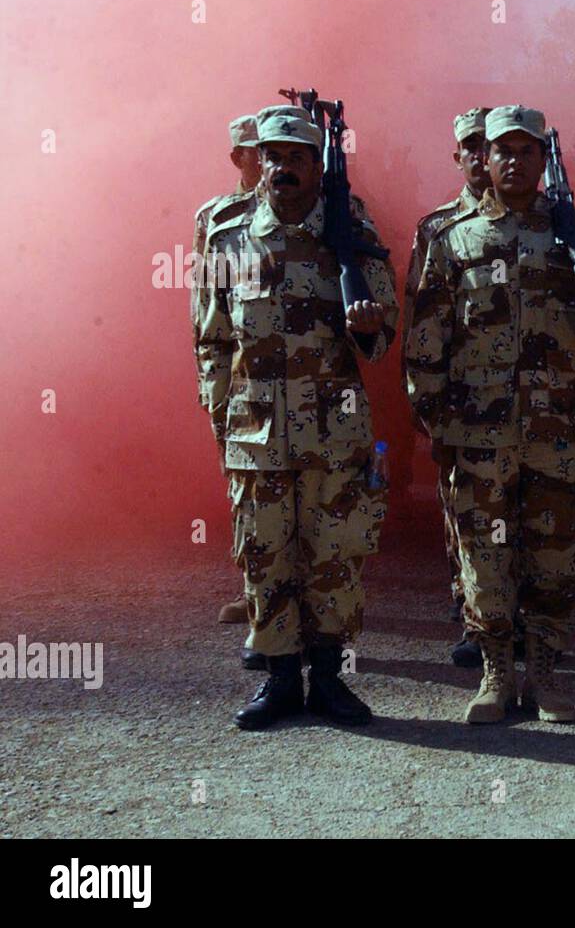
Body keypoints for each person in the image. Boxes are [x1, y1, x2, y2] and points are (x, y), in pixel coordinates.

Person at [405, 105, 575, 725]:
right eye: (504, 151)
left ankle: (545, 674)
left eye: (528, 150)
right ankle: (497, 674)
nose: (516, 161)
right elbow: (425, 345)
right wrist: (438, 426)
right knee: (485, 559)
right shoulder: (453, 239)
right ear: (487, 160)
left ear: (543, 159)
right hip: (479, 437)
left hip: (559, 434)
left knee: (558, 558)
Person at [195, 104, 397, 729]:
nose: (282, 167)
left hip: (334, 432)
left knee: (335, 554)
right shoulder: (228, 236)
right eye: (273, 155)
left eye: (297, 157)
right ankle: (280, 680)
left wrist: (367, 327)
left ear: (318, 166)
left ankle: (330, 680)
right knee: (264, 553)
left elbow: (382, 337)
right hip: (255, 431)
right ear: (259, 161)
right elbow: (211, 338)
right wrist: (220, 415)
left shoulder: (352, 235)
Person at [403, 107, 491, 667]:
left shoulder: (548, 222)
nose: (484, 158)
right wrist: (426, 402)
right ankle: (471, 613)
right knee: (462, 511)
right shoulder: (437, 228)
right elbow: (418, 319)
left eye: (493, 145)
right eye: (473, 148)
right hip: (460, 400)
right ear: (457, 157)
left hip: (521, 406)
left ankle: (520, 624)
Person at [192, 115, 261, 639]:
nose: (266, 159)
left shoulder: (316, 213)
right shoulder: (217, 217)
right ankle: (254, 588)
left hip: (293, 376)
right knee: (244, 486)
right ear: (236, 158)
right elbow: (206, 310)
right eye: (255, 151)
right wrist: (212, 383)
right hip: (236, 377)